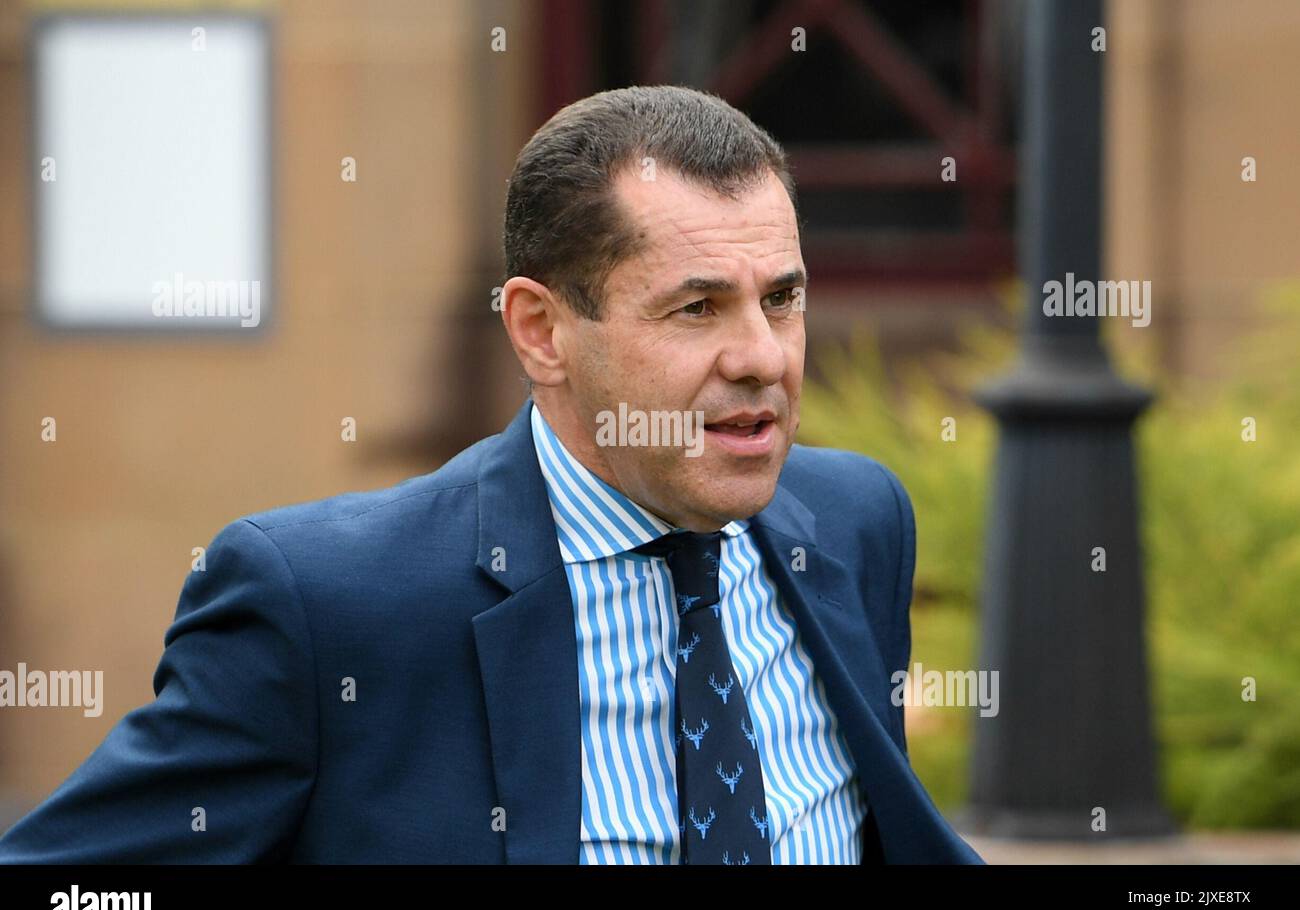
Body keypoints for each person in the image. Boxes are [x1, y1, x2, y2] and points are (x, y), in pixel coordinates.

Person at [0, 85, 983, 864]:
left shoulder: (855, 525)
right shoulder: (329, 606)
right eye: (697, 308)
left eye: (782, 297)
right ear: (541, 330)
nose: (762, 355)